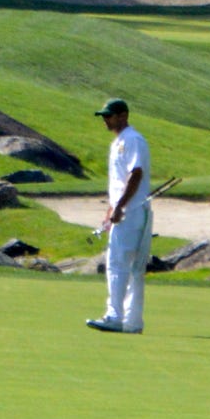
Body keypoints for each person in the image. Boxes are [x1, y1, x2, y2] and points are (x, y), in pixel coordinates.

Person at [89, 97, 150, 334]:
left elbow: (135, 174)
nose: (105, 120)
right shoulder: (119, 142)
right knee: (128, 265)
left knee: (118, 263)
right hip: (124, 209)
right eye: (104, 116)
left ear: (123, 116)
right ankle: (132, 322)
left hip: (131, 211)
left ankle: (115, 316)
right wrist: (111, 207)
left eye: (109, 115)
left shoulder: (133, 139)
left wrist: (121, 206)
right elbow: (118, 181)